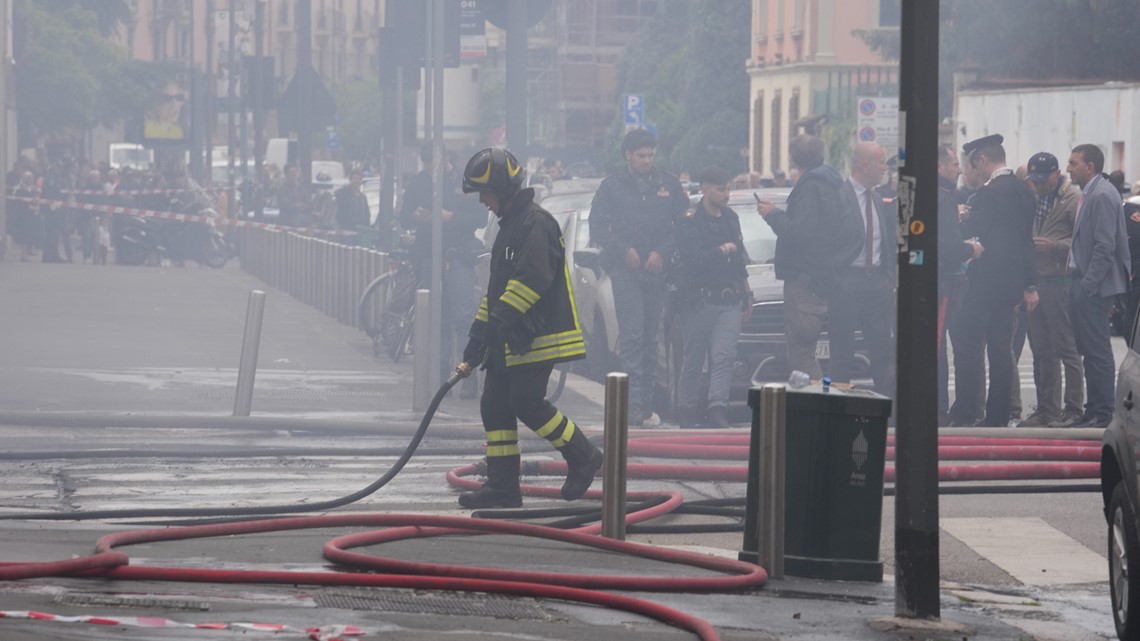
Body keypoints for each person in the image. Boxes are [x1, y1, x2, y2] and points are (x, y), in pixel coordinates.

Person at [453, 147, 602, 509]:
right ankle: (503, 488)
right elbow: (498, 288)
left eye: (485, 193)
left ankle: (584, 456)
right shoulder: (510, 226)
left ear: (502, 188)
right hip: (512, 336)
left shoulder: (536, 223)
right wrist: (478, 335)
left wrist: (497, 324)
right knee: (494, 405)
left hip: (538, 336)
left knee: (525, 402)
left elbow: (532, 281)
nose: (483, 202)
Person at [589, 129, 689, 426]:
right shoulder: (612, 187)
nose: (646, 161)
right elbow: (597, 227)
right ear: (627, 155)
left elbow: (682, 225)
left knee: (650, 338)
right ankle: (633, 405)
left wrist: (662, 251)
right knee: (631, 337)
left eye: (650, 155)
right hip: (626, 271)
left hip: (657, 270)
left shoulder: (668, 184)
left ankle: (646, 404)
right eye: (641, 155)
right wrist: (623, 251)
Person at [947, 134, 1038, 427]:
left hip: (983, 282)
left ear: (984, 160)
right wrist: (1028, 284)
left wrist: (962, 219)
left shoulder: (989, 193)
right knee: (1001, 352)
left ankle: (965, 411)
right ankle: (997, 415)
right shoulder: (1025, 191)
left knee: (967, 348)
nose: (973, 172)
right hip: (1011, 285)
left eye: (974, 166)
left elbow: (976, 230)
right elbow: (1027, 242)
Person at [756, 134, 860, 380]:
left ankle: (814, 408)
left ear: (793, 159)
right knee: (824, 354)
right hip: (827, 277)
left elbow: (799, 233)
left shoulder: (810, 186)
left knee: (802, 356)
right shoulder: (836, 184)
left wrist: (773, 215)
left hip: (804, 280)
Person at [398, 145, 486, 399]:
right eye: (426, 166)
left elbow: (480, 218)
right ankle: (440, 379)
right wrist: (416, 216)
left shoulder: (465, 181)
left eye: (433, 164)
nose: (429, 170)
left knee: (462, 317)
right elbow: (403, 217)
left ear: (447, 159)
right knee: (438, 319)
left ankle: (467, 375)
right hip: (430, 255)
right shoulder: (419, 183)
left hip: (457, 254)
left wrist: (451, 217)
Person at [672, 166, 752, 428]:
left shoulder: (731, 218)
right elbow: (692, 259)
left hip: (729, 300)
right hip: (699, 300)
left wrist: (747, 292)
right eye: (721, 189)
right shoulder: (690, 220)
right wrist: (720, 249)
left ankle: (718, 407)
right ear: (705, 189)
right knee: (694, 360)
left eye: (728, 188)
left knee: (724, 357)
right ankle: (687, 409)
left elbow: (739, 259)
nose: (727, 193)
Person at [1066, 143, 1131, 427]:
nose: (1068, 168)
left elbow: (1105, 246)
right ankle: (1093, 410)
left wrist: (1089, 285)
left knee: (1097, 351)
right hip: (1085, 283)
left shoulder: (1102, 194)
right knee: (1090, 351)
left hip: (1095, 286)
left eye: (1073, 163)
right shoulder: (1091, 193)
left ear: (1089, 166)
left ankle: (1103, 413)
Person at [827, 142, 897, 399]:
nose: (884, 168)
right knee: (842, 350)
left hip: (877, 283)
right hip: (847, 282)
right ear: (864, 165)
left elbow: (886, 241)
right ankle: (839, 405)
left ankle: (888, 406)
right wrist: (836, 279)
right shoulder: (839, 197)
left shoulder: (877, 198)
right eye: (880, 162)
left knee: (882, 348)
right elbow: (827, 242)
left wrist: (888, 275)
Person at [1019, 152, 1083, 427]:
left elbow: (1083, 243)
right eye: (1034, 179)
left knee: (1066, 348)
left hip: (1059, 282)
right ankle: (1047, 410)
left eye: (1043, 179)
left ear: (1056, 174)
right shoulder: (1036, 197)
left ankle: (1074, 408)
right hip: (1038, 280)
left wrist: (1054, 246)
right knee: (1043, 351)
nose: (1039, 184)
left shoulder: (1073, 200)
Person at [936, 146, 981, 423]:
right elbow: (947, 247)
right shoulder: (943, 199)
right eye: (954, 164)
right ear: (940, 167)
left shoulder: (940, 197)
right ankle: (942, 408)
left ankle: (945, 406)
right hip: (945, 283)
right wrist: (972, 249)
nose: (960, 169)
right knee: (941, 347)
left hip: (937, 282)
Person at [275, 163, 312, 227]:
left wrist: (302, 206)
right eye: (291, 172)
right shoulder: (282, 189)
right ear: (286, 174)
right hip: (287, 222)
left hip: (302, 223)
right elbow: (287, 206)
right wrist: (297, 206)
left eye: (296, 171)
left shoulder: (301, 188)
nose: (294, 174)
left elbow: (308, 203)